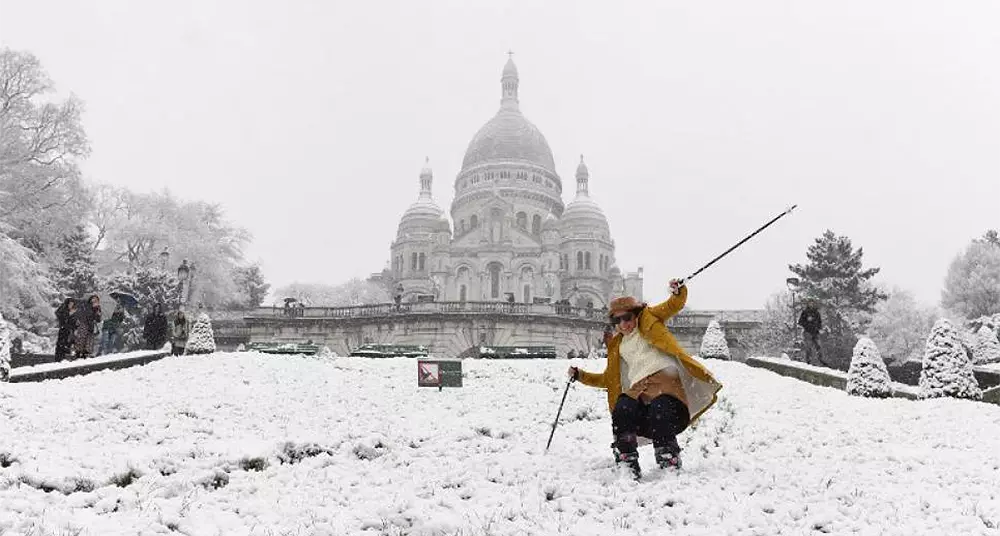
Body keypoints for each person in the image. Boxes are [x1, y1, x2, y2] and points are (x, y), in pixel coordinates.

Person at [568, 279, 723, 479]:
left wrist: (678, 291)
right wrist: (580, 376)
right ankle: (626, 458)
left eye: (627, 318)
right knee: (622, 406)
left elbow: (672, 305)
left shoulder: (649, 318)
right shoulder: (617, 345)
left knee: (661, 406)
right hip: (639, 390)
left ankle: (668, 456)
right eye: (617, 321)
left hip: (666, 383)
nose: (623, 324)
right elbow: (609, 380)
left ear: (636, 313)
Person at [74, 295, 101, 359]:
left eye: (96, 300)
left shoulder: (97, 308)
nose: (94, 301)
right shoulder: (86, 305)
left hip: (91, 326)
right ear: (91, 300)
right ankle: (77, 353)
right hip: (83, 324)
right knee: (81, 339)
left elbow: (98, 320)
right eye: (93, 300)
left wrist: (98, 313)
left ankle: (84, 354)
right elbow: (84, 315)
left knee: (88, 341)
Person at [797, 299, 823, 365]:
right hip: (807, 332)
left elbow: (820, 322)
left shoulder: (816, 312)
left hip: (815, 332)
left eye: (812, 303)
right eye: (810, 303)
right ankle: (808, 361)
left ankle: (820, 360)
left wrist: (819, 328)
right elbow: (800, 322)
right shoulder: (805, 312)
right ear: (808, 304)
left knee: (818, 346)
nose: (811, 304)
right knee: (808, 347)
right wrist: (807, 322)